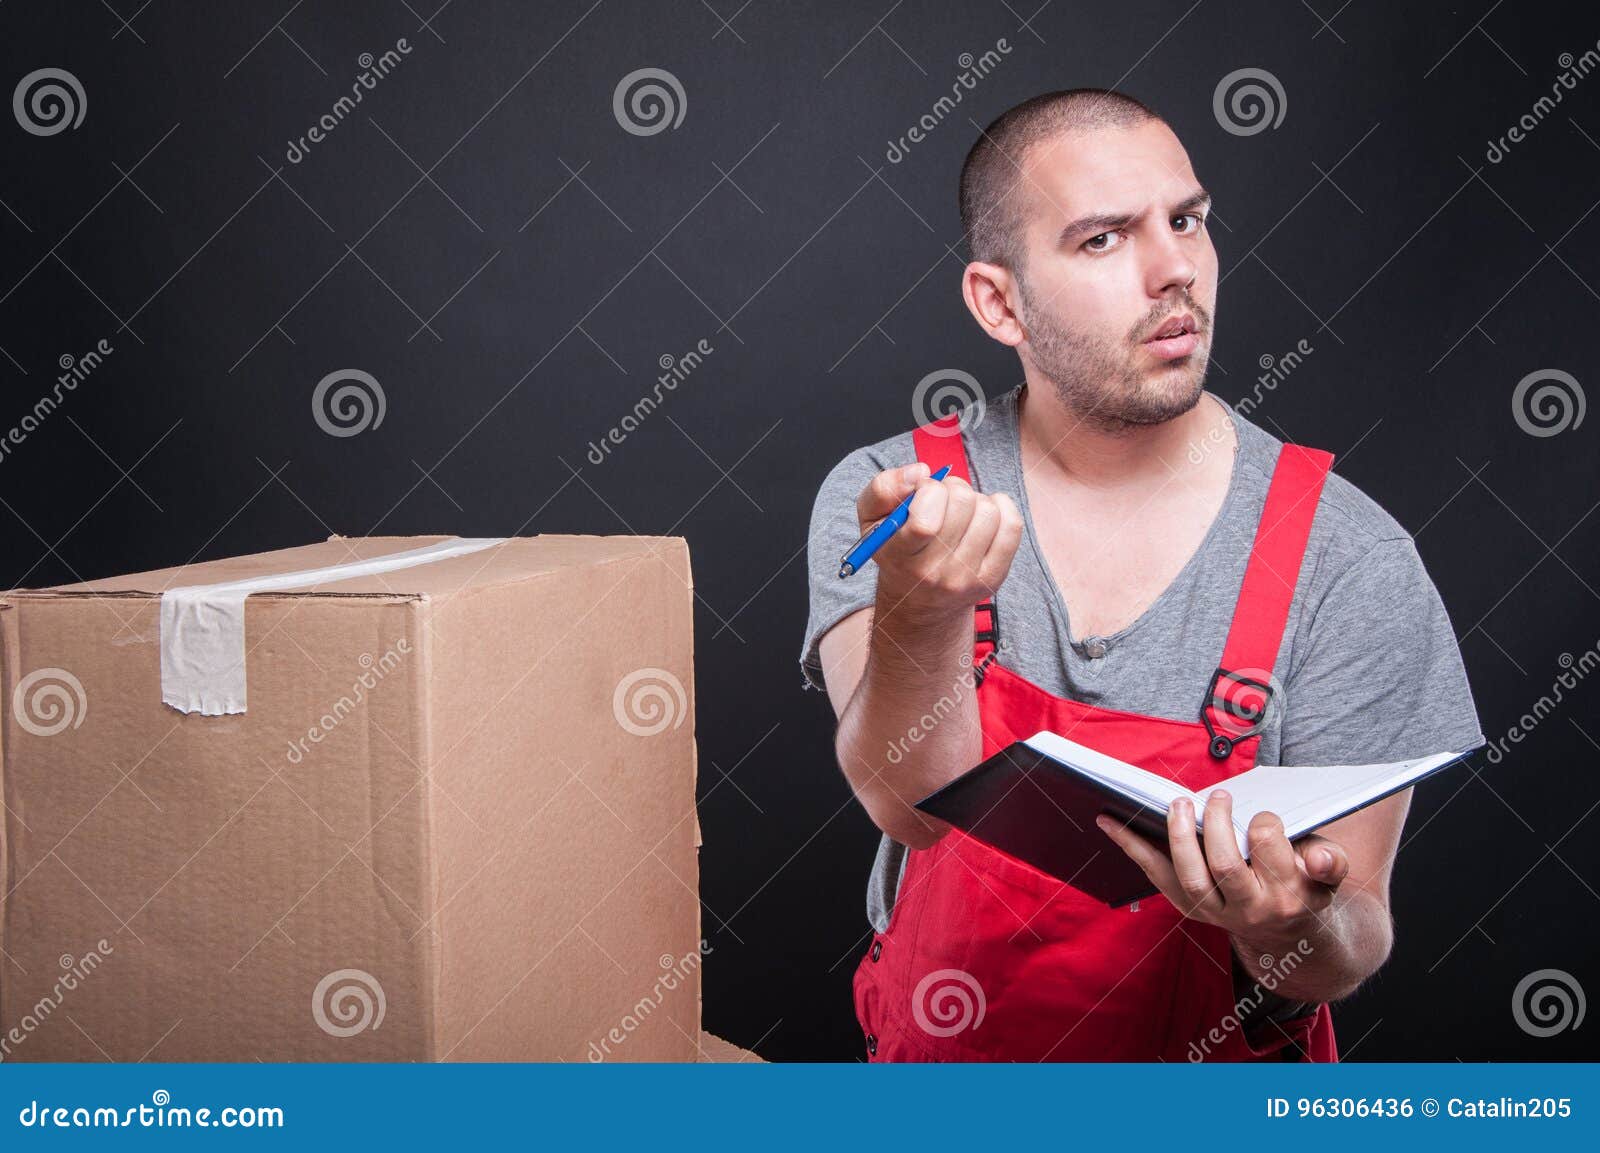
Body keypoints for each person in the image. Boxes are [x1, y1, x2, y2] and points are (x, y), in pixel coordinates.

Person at [799, 88, 1483, 1062]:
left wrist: (1283, 926)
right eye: (1102, 240)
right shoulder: (889, 498)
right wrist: (924, 607)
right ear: (999, 302)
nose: (1175, 272)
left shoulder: (1350, 559)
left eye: (1186, 221)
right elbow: (906, 803)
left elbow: (1352, 937)